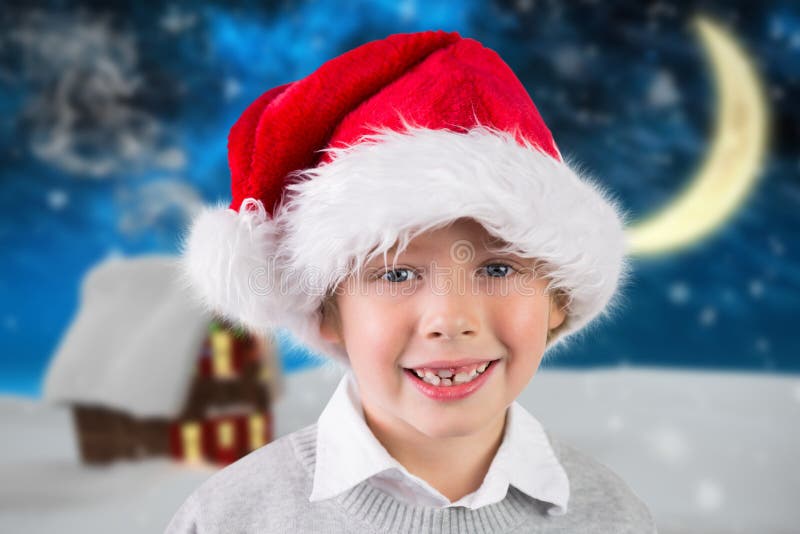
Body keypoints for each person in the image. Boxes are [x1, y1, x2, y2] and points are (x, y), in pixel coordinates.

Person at [168, 30, 657, 533]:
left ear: (558, 296)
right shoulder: (232, 519)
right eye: (397, 273)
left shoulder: (611, 518)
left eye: (497, 269)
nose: (450, 319)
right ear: (327, 312)